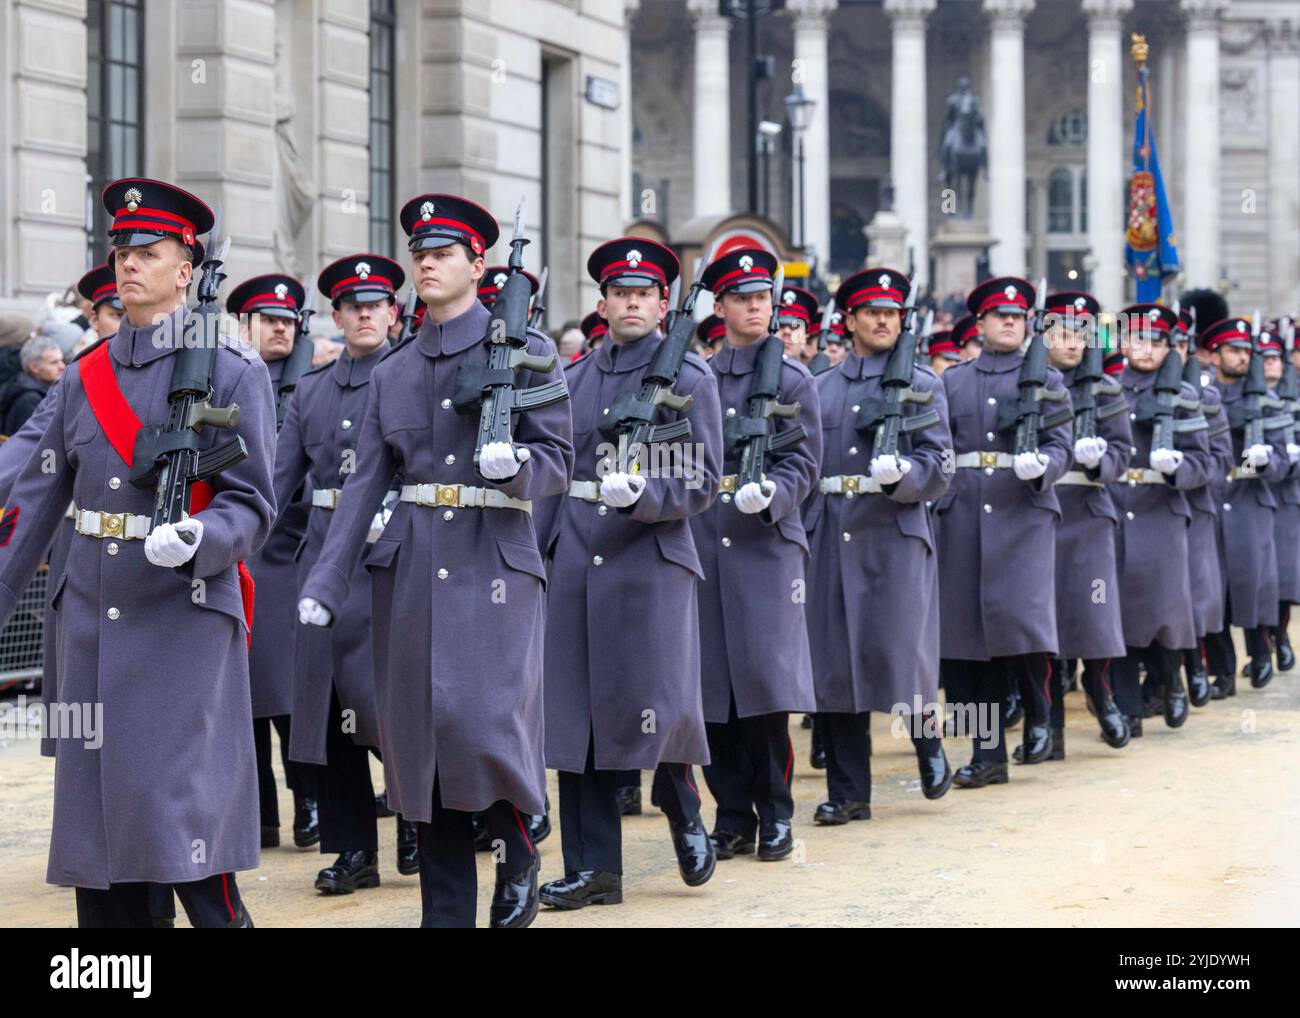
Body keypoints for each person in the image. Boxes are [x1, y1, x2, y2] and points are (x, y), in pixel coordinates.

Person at [0, 176, 276, 927]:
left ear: (186, 270)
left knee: (183, 836)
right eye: (121, 250)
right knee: (99, 847)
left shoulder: (233, 369)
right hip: (89, 626)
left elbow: (253, 502)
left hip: (180, 621)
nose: (128, 265)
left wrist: (202, 537)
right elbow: (31, 502)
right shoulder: (85, 375)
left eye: (148, 253)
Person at [297, 193, 573, 928]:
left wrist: (515, 463)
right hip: (412, 566)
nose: (427, 263)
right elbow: (366, 484)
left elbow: (558, 460)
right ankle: (444, 912)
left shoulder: (527, 349)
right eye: (420, 253)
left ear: (478, 265)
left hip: (496, 564)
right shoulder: (394, 370)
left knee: (483, 723)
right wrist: (327, 579)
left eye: (443, 253)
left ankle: (518, 842)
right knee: (418, 746)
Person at [534, 236, 721, 909]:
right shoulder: (574, 378)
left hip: (652, 562)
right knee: (577, 720)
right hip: (580, 560)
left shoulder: (690, 378)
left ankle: (684, 807)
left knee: (657, 707)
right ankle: (593, 869)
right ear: (604, 303)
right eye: (620, 292)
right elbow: (555, 475)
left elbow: (701, 481)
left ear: (662, 303)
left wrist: (644, 496)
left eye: (643, 293)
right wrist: (540, 555)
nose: (632, 302)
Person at [805, 266, 953, 821]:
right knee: (836, 667)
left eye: (891, 313)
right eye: (873, 312)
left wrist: (905, 475)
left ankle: (928, 743)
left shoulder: (922, 383)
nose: (884, 320)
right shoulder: (819, 388)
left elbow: (941, 463)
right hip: (835, 531)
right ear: (850, 322)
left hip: (894, 528)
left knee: (901, 653)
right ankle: (848, 792)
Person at [690, 241, 821, 861]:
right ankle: (732, 815)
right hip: (705, 542)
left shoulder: (793, 378)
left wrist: (774, 493)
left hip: (766, 546)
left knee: (767, 691)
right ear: (720, 306)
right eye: (742, 298)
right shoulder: (698, 378)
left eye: (763, 298)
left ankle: (777, 814)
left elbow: (806, 460)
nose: (755, 308)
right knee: (713, 692)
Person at [935, 276, 1072, 788]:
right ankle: (986, 752)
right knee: (966, 643)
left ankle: (1040, 713)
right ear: (980, 324)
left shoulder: (1048, 381)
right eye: (999, 315)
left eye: (1017, 315)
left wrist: (1043, 467)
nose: (1009, 322)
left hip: (1024, 510)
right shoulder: (954, 381)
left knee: (1025, 625)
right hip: (964, 514)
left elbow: (1062, 442)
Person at [225, 274, 321, 854]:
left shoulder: (311, 387)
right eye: (268, 320)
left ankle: (308, 801)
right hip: (236, 550)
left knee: (291, 692)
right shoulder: (225, 381)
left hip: (293, 553)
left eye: (288, 320)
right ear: (246, 326)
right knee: (244, 697)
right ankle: (259, 812)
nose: (280, 328)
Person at [1108, 304, 1215, 732]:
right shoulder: (1108, 389)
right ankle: (1128, 709)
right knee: (1115, 613)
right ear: (1122, 344)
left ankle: (1172, 681)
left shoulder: (1184, 397)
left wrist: (1179, 469)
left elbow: (1205, 462)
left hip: (1162, 509)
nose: (1146, 350)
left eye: (1155, 342)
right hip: (1117, 507)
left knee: (1166, 612)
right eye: (1138, 340)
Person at [1039, 291, 1132, 755]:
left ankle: (1100, 693)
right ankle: (1050, 725)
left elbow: (1121, 450)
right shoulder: (1029, 383)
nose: (1072, 343)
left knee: (1096, 617)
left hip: (1090, 512)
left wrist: (1099, 465)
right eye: (1062, 333)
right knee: (1045, 624)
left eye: (1081, 334)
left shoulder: (1105, 389)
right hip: (1043, 511)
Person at [1202, 316, 1292, 694]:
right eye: (1233, 350)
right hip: (1211, 496)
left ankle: (1260, 652)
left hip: (1250, 498)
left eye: (1245, 351)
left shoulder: (1266, 401)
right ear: (1216, 354)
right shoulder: (1201, 396)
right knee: (1213, 590)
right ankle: (1222, 671)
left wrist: (1262, 460)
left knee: (1255, 583)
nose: (1241, 358)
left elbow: (1285, 462)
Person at [1, 335, 65, 435]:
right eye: (54, 363)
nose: (62, 366)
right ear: (34, 367)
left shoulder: (32, 387)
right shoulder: (29, 399)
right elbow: (32, 441)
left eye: (61, 360)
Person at [774, 284, 819, 364]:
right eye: (780, 325)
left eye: (795, 327)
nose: (787, 331)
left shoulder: (809, 376)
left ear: (804, 339)